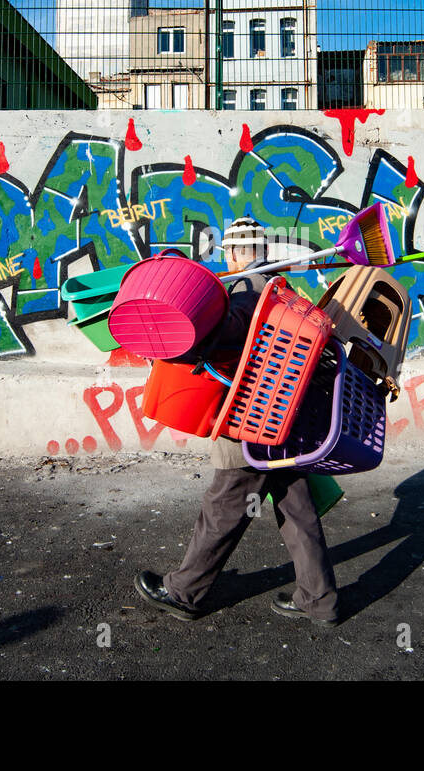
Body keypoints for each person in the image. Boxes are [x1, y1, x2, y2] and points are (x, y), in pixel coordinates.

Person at [134, 218, 341, 627]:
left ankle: (184, 592)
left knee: (225, 505)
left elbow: (223, 341)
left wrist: (188, 332)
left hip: (252, 422)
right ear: (261, 250)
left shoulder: (246, 293)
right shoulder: (281, 291)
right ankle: (321, 601)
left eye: (229, 252)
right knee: (296, 507)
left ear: (230, 253)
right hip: (286, 420)